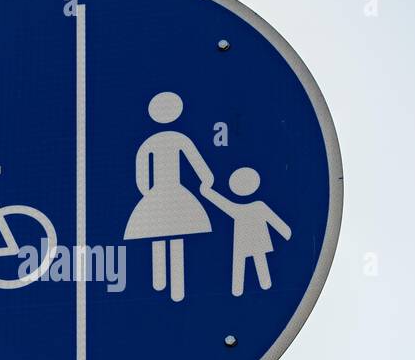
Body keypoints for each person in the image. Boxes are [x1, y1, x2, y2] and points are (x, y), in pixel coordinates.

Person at [123, 92, 213, 302]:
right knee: (172, 235)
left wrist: (148, 193)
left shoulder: (152, 142)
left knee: (160, 235)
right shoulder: (176, 139)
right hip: (172, 193)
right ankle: (169, 286)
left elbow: (142, 175)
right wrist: (206, 180)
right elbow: (198, 164)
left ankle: (163, 283)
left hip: (160, 194)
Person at [200, 167, 291, 297]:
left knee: (246, 263)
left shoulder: (241, 209)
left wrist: (207, 192)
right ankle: (248, 288)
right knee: (253, 261)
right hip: (251, 241)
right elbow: (274, 220)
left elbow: (222, 203)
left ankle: (240, 289)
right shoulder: (256, 206)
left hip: (247, 241)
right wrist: (285, 232)